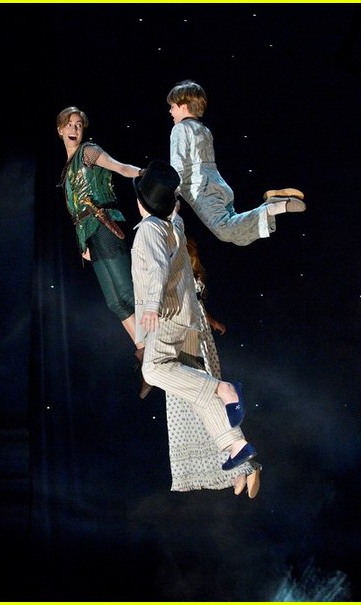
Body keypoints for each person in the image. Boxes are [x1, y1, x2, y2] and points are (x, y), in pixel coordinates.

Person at [131, 160, 258, 474]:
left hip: (167, 316)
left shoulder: (149, 230)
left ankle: (225, 389)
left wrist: (151, 306)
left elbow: (158, 269)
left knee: (154, 370)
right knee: (194, 384)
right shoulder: (174, 225)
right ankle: (234, 443)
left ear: (141, 204)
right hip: (188, 318)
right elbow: (174, 214)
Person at [56, 106, 150, 393]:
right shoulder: (66, 168)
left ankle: (158, 345)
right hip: (88, 233)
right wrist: (81, 243)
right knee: (114, 302)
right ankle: (144, 351)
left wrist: (144, 173)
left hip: (104, 223)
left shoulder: (88, 151)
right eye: (69, 124)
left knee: (127, 292)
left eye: (78, 124)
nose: (74, 129)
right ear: (60, 130)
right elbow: (75, 208)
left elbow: (119, 167)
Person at [163, 236, 262, 497]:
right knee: (197, 407)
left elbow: (190, 305)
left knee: (201, 398)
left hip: (186, 339)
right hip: (189, 335)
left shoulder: (179, 274)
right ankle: (237, 470)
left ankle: (244, 466)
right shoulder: (182, 274)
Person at [167, 79, 307, 246]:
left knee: (224, 230)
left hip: (201, 189)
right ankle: (272, 206)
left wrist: (170, 192)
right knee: (238, 234)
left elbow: (178, 164)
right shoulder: (204, 130)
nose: (170, 111)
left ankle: (270, 207)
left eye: (172, 106)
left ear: (183, 107)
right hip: (218, 185)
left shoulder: (180, 129)